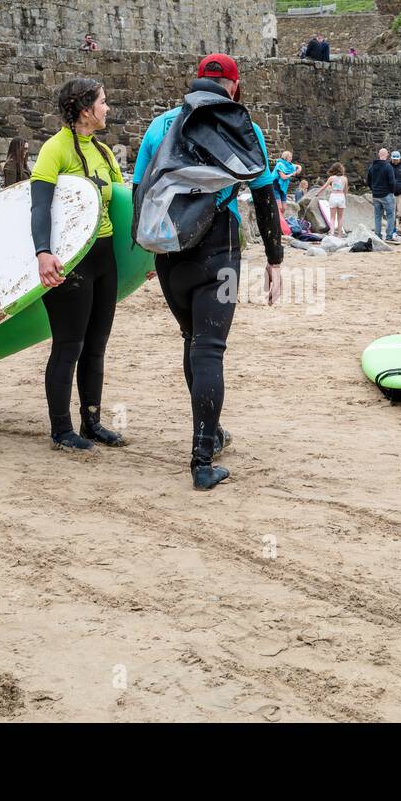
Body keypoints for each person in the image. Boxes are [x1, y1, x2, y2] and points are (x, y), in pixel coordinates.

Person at [134, 53, 284, 490]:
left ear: (197, 81)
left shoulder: (161, 125)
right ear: (234, 87)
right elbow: (262, 197)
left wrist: (142, 252)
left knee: (192, 341)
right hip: (219, 252)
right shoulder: (245, 128)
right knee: (210, 349)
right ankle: (202, 459)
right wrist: (275, 261)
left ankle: (212, 434)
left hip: (168, 252)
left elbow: (139, 190)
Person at [31, 77, 126, 452]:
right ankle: (61, 430)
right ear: (86, 109)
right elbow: (39, 205)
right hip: (70, 261)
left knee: (96, 346)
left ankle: (92, 422)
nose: (107, 108)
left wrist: (143, 259)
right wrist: (43, 252)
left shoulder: (102, 153)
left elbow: (121, 206)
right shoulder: (54, 150)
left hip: (104, 260)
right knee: (69, 344)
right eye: (103, 102)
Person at [366, 147, 397, 242]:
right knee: (390, 215)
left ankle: (378, 235)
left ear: (379, 155)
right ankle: (389, 236)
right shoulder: (388, 167)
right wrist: (391, 191)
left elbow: (368, 181)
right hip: (386, 194)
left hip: (375, 195)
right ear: (387, 155)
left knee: (377, 216)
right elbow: (392, 182)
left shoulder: (372, 167)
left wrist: (373, 189)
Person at [323, 162, 349, 237]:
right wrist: (344, 198)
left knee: (332, 217)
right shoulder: (345, 178)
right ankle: (340, 235)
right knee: (340, 217)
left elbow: (324, 187)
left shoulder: (331, 178)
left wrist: (317, 193)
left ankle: (332, 233)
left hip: (333, 196)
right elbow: (345, 190)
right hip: (341, 197)